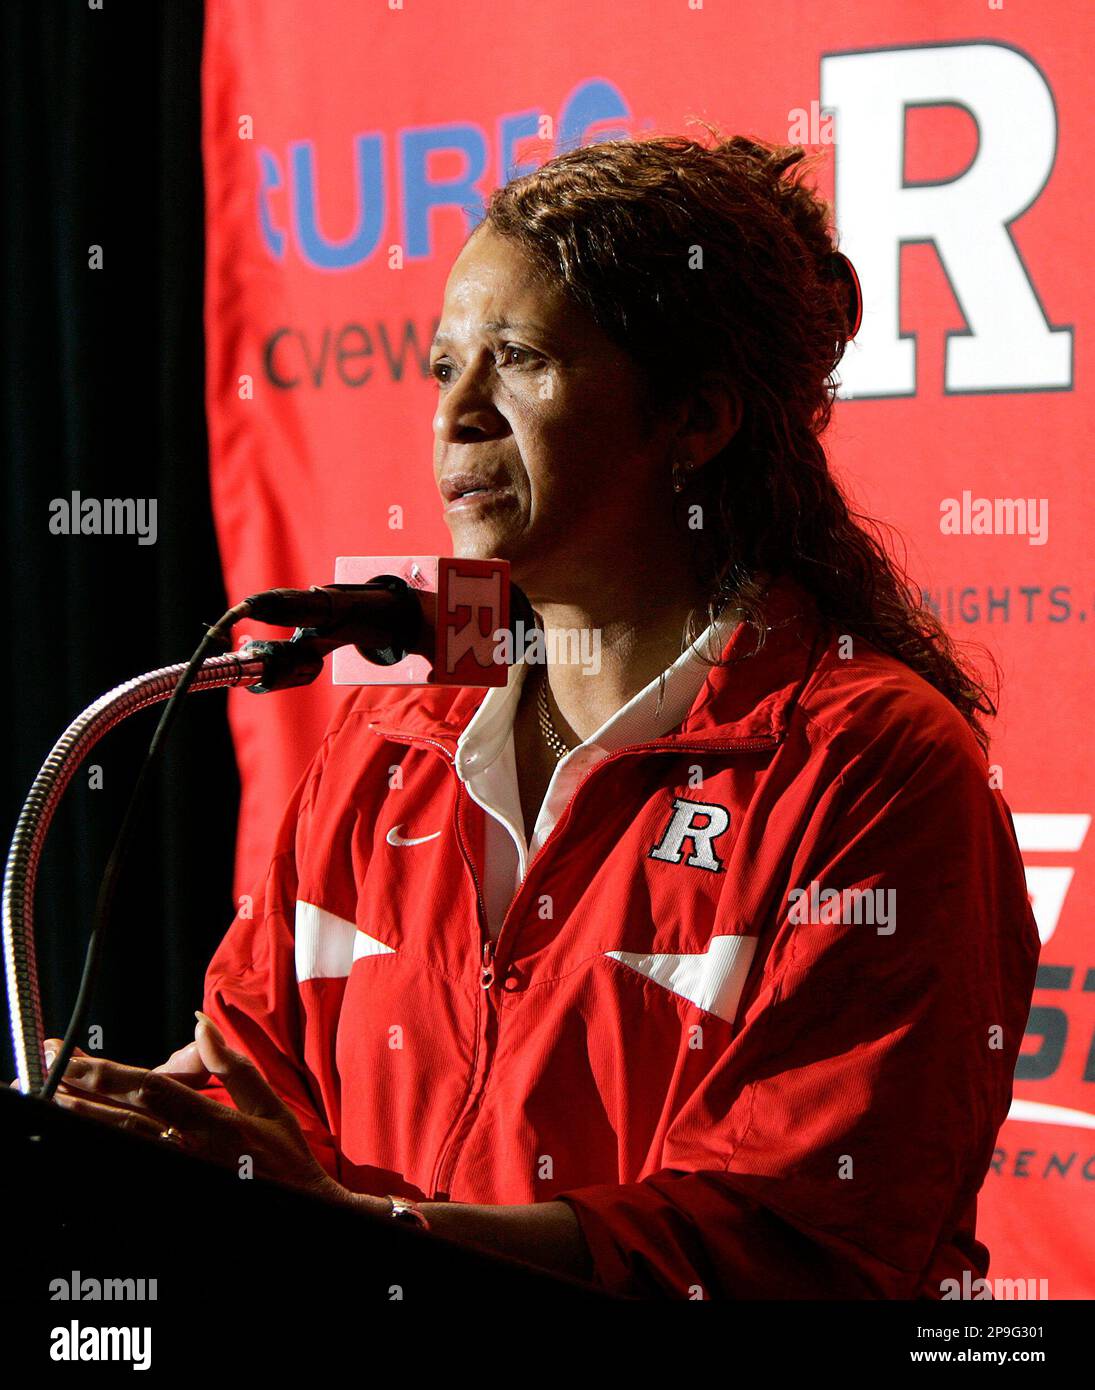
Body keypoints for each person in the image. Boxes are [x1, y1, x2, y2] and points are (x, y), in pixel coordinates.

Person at [45, 132, 1040, 1300]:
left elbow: (804, 1248)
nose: (456, 415)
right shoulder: (384, 746)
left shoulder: (872, 766)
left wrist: (366, 1227)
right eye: (442, 364)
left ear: (697, 419)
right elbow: (250, 1083)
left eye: (516, 360)